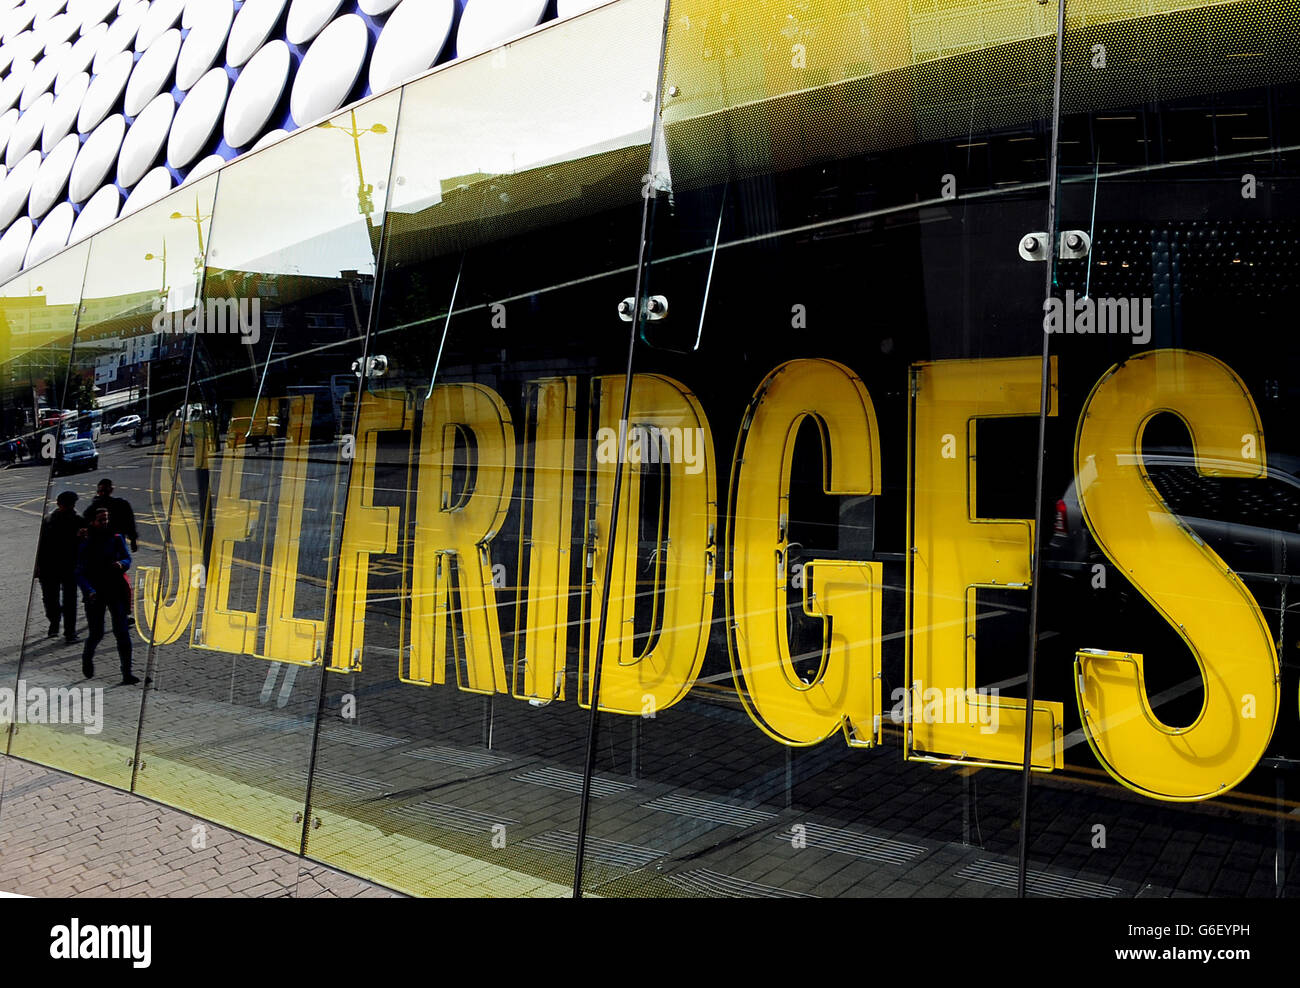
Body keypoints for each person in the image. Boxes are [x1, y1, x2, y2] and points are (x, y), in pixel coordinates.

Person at [75, 507, 137, 685]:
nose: (105, 523)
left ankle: (127, 672)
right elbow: (79, 572)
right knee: (97, 632)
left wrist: (121, 564)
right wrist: (89, 590)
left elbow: (127, 558)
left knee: (122, 632)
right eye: (101, 520)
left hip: (115, 589)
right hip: (95, 593)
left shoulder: (116, 538)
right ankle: (87, 657)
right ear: (93, 521)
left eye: (106, 519)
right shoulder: (85, 542)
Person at [35, 490, 82, 642]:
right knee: (50, 600)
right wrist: (37, 566)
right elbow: (39, 546)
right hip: (49, 568)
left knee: (70, 600)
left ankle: (70, 633)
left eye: (73, 505)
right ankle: (54, 622)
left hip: (69, 567)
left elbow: (84, 545)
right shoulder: (48, 521)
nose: (71, 508)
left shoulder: (79, 520)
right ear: (59, 505)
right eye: (68, 505)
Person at [83, 478, 138, 551]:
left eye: (105, 491)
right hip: (101, 540)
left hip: (117, 539)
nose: (102, 493)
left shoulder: (121, 504)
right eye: (100, 491)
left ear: (111, 490)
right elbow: (86, 520)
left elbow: (130, 523)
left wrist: (133, 540)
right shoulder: (95, 505)